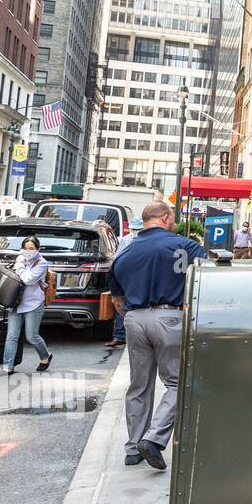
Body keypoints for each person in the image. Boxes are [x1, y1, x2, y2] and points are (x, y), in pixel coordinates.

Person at [109, 201, 207, 470]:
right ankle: (153, 439)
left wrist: (132, 312)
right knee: (179, 382)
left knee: (139, 385)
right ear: (165, 218)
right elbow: (208, 278)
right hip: (170, 317)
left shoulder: (125, 252)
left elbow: (117, 299)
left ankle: (133, 448)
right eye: (172, 217)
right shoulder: (185, 246)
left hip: (134, 319)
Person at [2, 236, 52, 375]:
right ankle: (8, 365)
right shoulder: (20, 258)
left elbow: (29, 280)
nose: (27, 251)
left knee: (31, 336)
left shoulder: (41, 263)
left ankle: (45, 356)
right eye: (25, 248)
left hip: (34, 303)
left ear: (38, 249)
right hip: (16, 302)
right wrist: (20, 264)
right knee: (11, 335)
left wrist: (20, 266)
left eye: (31, 248)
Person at [106, 217, 144, 350]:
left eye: (138, 229)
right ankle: (120, 336)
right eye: (134, 229)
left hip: (141, 278)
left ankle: (133, 336)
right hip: (126, 278)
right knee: (121, 304)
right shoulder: (127, 239)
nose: (136, 232)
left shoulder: (147, 240)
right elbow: (117, 258)